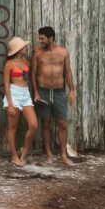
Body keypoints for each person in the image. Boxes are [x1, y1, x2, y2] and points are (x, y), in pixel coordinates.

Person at [31, 26, 76, 166]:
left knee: (62, 124)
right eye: (39, 38)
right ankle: (49, 155)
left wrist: (72, 90)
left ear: (51, 38)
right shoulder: (37, 53)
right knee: (46, 123)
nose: (40, 41)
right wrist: (36, 92)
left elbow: (67, 72)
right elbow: (33, 74)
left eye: (42, 38)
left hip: (59, 92)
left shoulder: (63, 52)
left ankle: (63, 155)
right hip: (43, 92)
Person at [2, 36, 37, 167]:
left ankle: (24, 151)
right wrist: (10, 104)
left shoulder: (25, 62)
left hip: (25, 94)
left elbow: (31, 73)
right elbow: (6, 84)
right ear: (18, 49)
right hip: (14, 94)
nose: (26, 48)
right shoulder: (9, 64)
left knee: (33, 125)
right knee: (13, 128)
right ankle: (14, 157)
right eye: (23, 47)